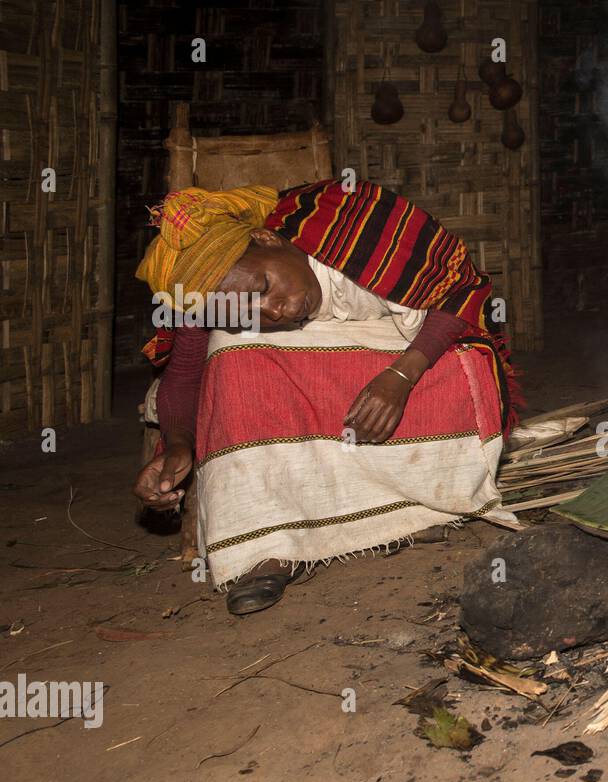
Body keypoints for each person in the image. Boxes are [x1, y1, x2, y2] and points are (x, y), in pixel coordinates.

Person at [133, 180, 519, 615]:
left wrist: (400, 376)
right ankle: (271, 545)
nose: (272, 311)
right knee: (231, 351)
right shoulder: (211, 295)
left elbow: (462, 288)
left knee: (461, 367)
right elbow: (183, 375)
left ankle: (417, 510)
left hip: (418, 359)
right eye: (248, 311)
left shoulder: (345, 217)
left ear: (267, 239)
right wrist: (180, 444)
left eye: (262, 288)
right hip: (332, 371)